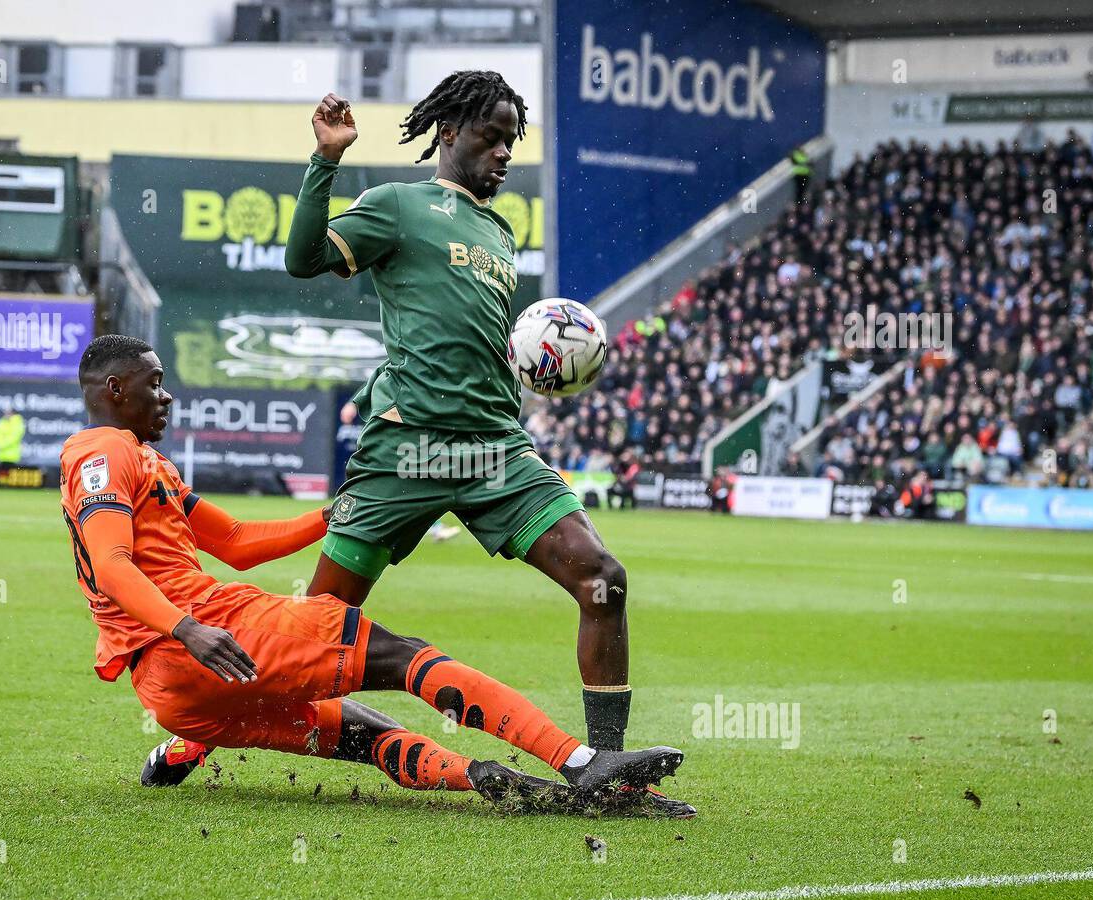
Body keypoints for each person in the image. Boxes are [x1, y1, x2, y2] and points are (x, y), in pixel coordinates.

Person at [68, 335, 693, 816]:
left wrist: (331, 515)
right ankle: (580, 762)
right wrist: (188, 628)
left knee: (365, 735)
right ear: (116, 389)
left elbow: (233, 542)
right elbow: (112, 564)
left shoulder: (148, 462)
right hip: (205, 635)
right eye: (156, 384)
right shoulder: (106, 451)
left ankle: (489, 779)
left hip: (172, 695)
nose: (167, 395)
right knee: (403, 657)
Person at [265, 75, 664, 782]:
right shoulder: (395, 205)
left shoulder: (499, 230)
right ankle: (195, 735)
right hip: (408, 449)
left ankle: (607, 767)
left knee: (603, 577)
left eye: (513, 139)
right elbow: (302, 260)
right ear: (448, 132)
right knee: (315, 631)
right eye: (493, 135)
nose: (505, 151)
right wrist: (325, 159)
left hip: (495, 450)